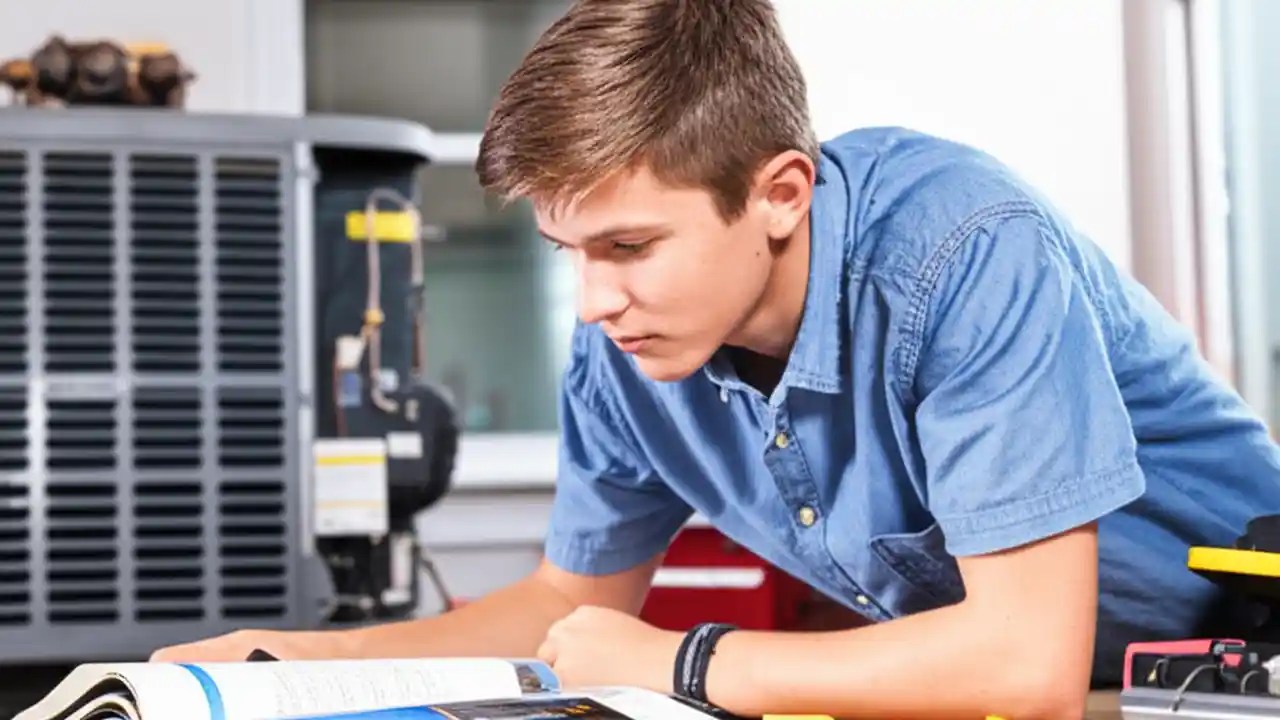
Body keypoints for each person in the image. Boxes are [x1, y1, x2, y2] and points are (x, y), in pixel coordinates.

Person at [152, 0, 1280, 717]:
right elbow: (566, 603)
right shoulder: (624, 348)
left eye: (629, 246)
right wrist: (296, 660)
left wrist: (677, 663)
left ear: (778, 194)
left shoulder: (964, 254)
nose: (593, 303)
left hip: (1237, 664)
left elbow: (1019, 666)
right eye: (567, 253)